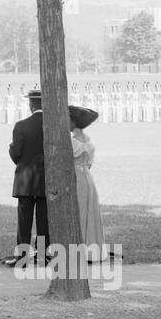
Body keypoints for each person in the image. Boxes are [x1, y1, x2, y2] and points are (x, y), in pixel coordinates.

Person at [5, 89, 46, 265]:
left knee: (24, 220)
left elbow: (16, 153)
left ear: (31, 105)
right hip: (45, 179)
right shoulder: (52, 125)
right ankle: (44, 254)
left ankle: (21, 256)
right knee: (44, 220)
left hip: (25, 179)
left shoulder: (21, 125)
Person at [70, 105, 104, 262]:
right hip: (87, 177)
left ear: (73, 122)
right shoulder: (88, 140)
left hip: (76, 177)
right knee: (89, 211)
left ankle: (78, 251)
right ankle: (91, 250)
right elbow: (89, 163)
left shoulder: (72, 141)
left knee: (79, 212)